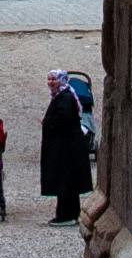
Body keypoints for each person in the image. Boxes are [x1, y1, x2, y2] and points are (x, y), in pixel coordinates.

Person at [39, 69, 93, 224]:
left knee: (65, 181)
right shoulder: (64, 96)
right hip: (67, 147)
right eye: (49, 79)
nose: (51, 82)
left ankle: (65, 215)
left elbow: (64, 119)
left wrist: (48, 123)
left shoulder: (65, 98)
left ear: (61, 80)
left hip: (66, 148)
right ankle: (70, 214)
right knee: (68, 182)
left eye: (54, 79)